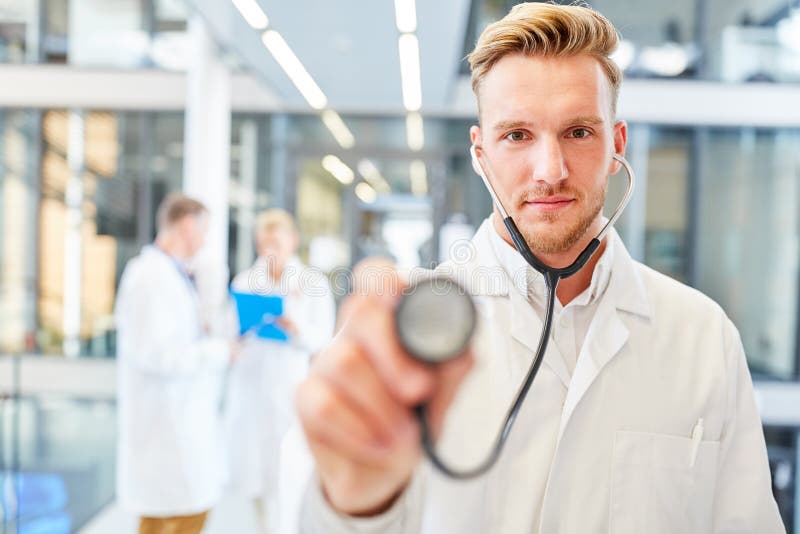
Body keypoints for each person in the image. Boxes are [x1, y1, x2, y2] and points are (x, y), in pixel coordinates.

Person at [294, 3, 785, 533]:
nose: (550, 171)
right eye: (517, 135)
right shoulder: (401, 338)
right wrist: (359, 502)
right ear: (480, 153)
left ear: (615, 145)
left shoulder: (703, 337)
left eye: (578, 132)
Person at [115, 193, 235, 534]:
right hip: (164, 425)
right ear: (186, 226)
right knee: (174, 516)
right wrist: (219, 351)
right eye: (204, 231)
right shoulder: (149, 279)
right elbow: (159, 355)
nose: (205, 241)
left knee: (184, 511)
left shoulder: (173, 275)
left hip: (180, 420)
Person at [223, 209, 335, 532]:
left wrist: (295, 328)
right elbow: (230, 331)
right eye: (263, 243)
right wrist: (242, 330)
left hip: (290, 385)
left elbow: (323, 339)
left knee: (290, 474)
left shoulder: (312, 282)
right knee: (254, 477)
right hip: (252, 388)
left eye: (276, 242)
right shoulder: (244, 282)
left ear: (292, 242)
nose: (269, 250)